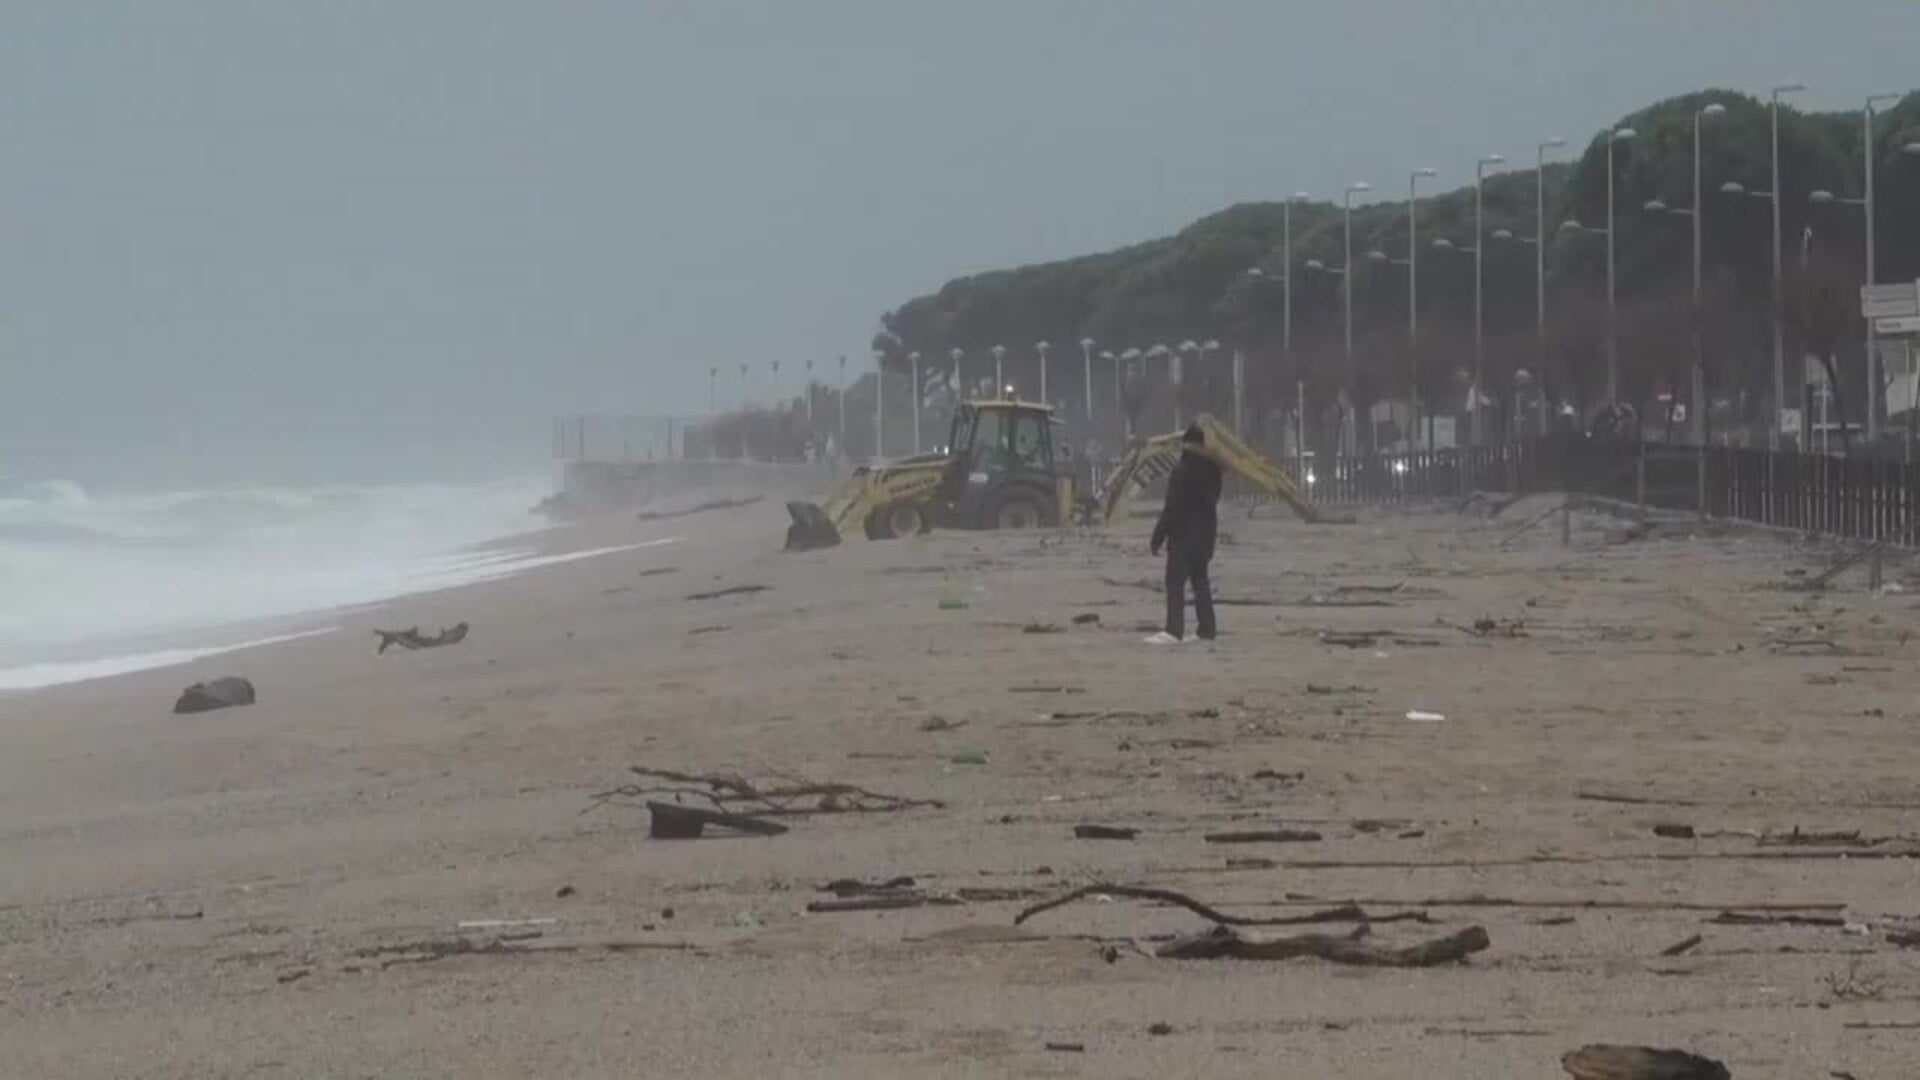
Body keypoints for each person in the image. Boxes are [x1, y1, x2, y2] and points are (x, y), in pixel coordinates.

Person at [1146, 423, 1222, 644]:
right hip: (1206, 535)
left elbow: (1173, 507)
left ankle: (1173, 631)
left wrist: (1157, 537)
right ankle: (1207, 630)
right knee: (1201, 582)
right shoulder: (1213, 472)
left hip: (1183, 537)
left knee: (1175, 583)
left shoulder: (1182, 471)